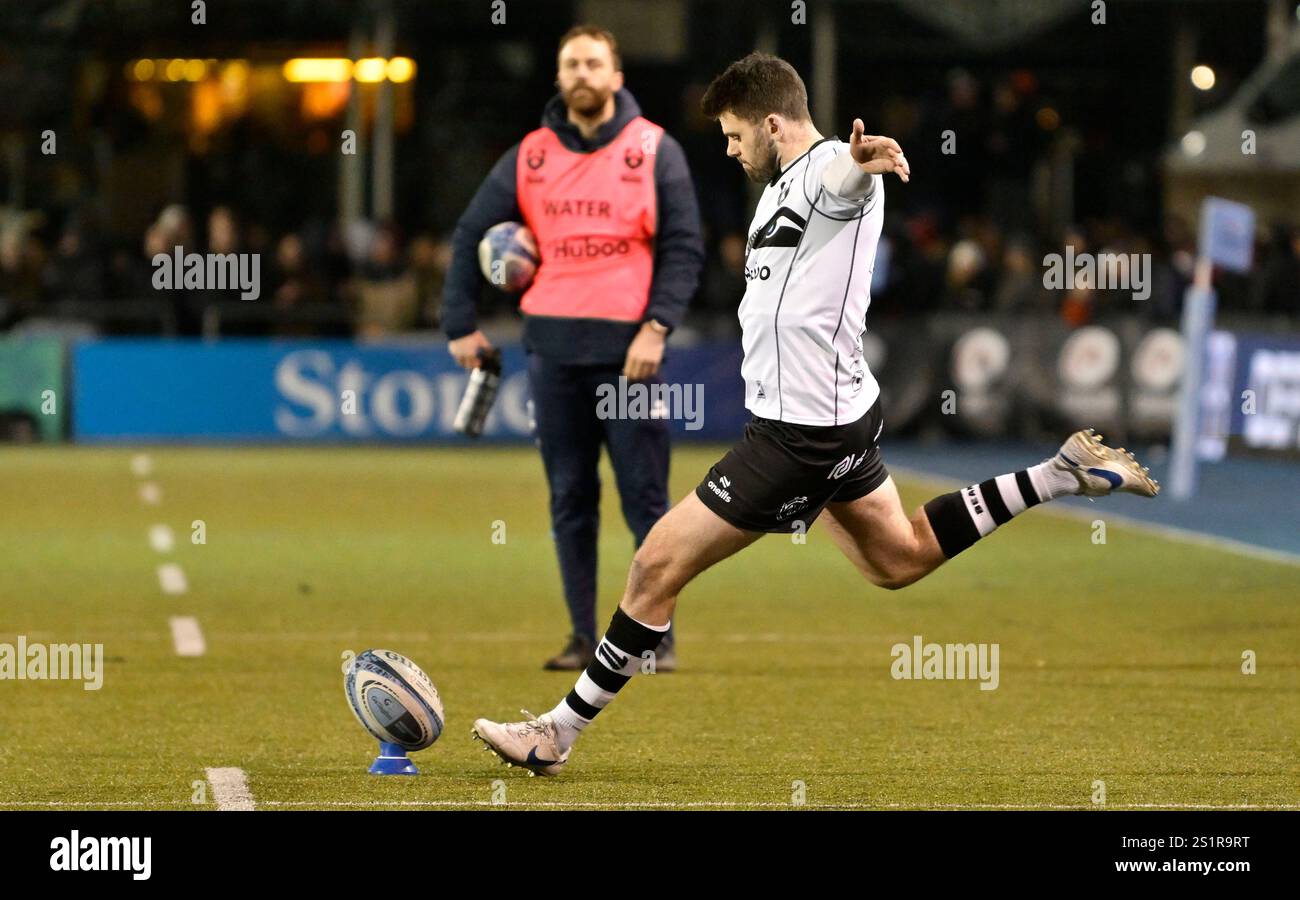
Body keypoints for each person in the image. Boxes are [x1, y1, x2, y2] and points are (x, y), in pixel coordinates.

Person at [470, 52, 1158, 775]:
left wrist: (862, 161)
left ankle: (557, 732)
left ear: (773, 122)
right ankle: (1058, 473)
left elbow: (845, 180)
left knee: (654, 565)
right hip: (830, 417)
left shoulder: (828, 169)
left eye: (736, 135)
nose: (732, 150)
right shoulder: (775, 191)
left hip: (802, 436)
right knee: (898, 559)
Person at [442, 25, 704, 671]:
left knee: (644, 497)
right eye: (571, 65)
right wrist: (458, 323)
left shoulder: (653, 149)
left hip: (629, 355)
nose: (582, 74)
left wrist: (657, 327)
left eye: (593, 63)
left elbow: (684, 247)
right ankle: (585, 638)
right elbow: (470, 233)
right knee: (569, 498)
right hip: (552, 350)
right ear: (559, 78)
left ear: (617, 76)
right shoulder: (530, 155)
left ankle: (654, 638)